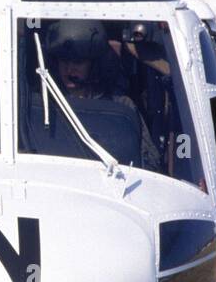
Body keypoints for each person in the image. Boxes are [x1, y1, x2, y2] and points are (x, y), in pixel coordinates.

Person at [42, 18, 163, 172]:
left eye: (78, 62)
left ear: (93, 65)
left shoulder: (120, 106)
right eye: (64, 61)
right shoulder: (45, 105)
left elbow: (149, 162)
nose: (69, 69)